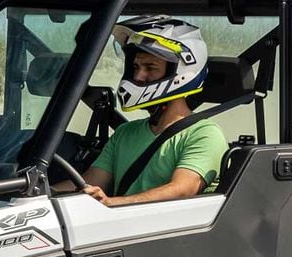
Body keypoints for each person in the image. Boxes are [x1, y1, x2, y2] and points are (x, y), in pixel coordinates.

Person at [70, 17, 228, 206]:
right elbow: (87, 184)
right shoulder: (125, 132)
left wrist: (112, 203)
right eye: (136, 67)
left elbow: (183, 190)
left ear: (180, 73)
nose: (138, 76)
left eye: (150, 68)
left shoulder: (204, 134)